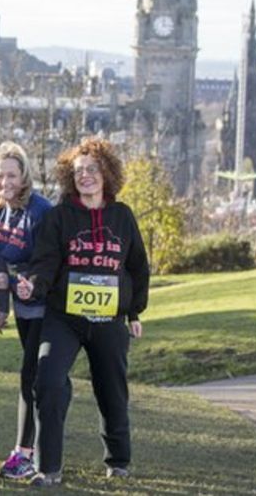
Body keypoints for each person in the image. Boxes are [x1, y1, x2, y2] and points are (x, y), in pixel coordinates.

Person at [15, 137, 149, 486]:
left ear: (107, 173)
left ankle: (118, 461)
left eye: (92, 169)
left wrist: (134, 313)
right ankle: (49, 468)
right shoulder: (60, 218)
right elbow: (44, 263)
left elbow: (137, 267)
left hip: (109, 320)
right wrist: (33, 284)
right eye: (78, 171)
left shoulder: (122, 216)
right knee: (46, 381)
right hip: (64, 319)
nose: (85, 176)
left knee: (112, 389)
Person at [0, 141, 52, 479]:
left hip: (46, 306)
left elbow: (48, 261)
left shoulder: (40, 211)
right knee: (41, 380)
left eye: (12, 175)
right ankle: (42, 444)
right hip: (23, 308)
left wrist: (29, 283)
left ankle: (24, 452)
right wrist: (2, 306)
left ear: (24, 177)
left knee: (31, 376)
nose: (5, 182)